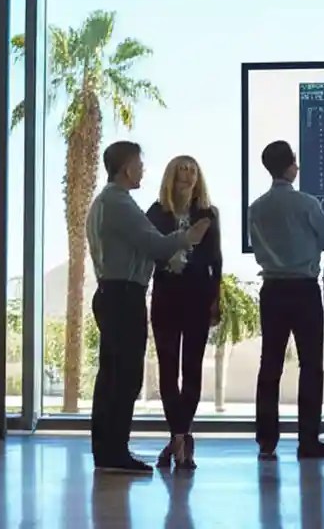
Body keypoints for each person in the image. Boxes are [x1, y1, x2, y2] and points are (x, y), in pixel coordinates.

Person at [87, 141, 211, 474]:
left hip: (112, 293)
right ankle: (115, 452)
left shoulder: (105, 201)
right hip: (124, 295)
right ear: (127, 168)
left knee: (112, 375)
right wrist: (188, 237)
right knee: (125, 377)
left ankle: (107, 450)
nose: (142, 169)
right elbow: (155, 244)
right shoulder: (120, 203)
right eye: (139, 164)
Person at [249, 140, 324, 460]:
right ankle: (308, 441)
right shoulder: (307, 203)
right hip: (304, 289)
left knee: (270, 365)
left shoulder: (256, 208)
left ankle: (266, 441)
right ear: (289, 168)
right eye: (295, 163)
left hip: (272, 290)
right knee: (310, 365)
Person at [146, 156, 222, 471]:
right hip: (166, 296)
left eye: (193, 170)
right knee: (168, 370)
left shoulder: (208, 214)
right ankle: (180, 438)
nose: (188, 175)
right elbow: (149, 250)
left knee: (192, 368)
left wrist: (216, 298)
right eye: (182, 170)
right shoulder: (156, 212)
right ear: (171, 176)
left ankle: (180, 437)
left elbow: (215, 259)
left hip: (197, 296)